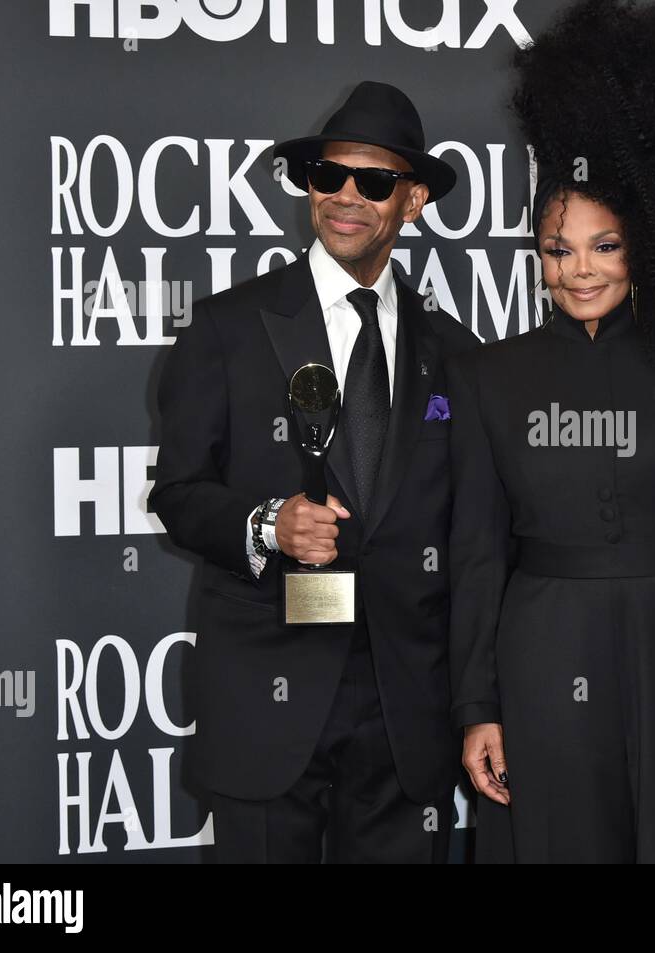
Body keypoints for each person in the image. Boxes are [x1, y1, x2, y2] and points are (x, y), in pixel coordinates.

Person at [445, 0, 655, 863]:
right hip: (544, 648)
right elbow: (478, 552)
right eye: (558, 250)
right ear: (537, 255)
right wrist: (478, 704)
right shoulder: (489, 375)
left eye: (603, 246)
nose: (579, 269)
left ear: (645, 248)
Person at [148, 81, 479, 862]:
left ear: (415, 200)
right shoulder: (227, 329)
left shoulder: (455, 353)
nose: (344, 198)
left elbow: (474, 533)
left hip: (405, 713)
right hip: (268, 697)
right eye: (328, 176)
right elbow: (179, 492)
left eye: (374, 181)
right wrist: (265, 524)